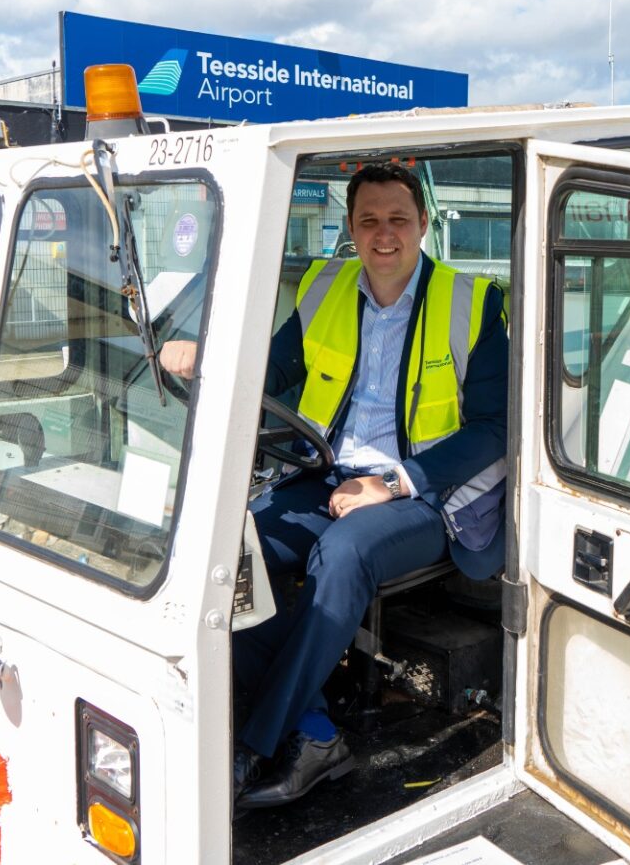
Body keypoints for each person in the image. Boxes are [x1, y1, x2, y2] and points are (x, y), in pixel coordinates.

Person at [158, 162, 507, 812]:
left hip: (427, 495)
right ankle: (315, 730)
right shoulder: (325, 286)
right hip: (329, 474)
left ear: (423, 225)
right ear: (350, 227)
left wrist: (396, 481)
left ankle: (256, 744)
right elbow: (272, 363)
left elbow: (494, 429)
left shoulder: (473, 301)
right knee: (234, 550)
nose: (384, 234)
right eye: (369, 220)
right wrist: (205, 349)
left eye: (398, 219)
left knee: (343, 553)